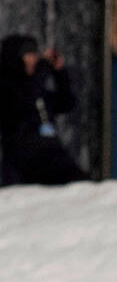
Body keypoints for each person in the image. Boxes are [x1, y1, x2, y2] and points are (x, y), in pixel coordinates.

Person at [0, 34, 87, 186]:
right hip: (25, 160)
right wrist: (44, 67)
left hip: (51, 154)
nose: (35, 59)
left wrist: (59, 73)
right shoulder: (8, 87)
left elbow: (67, 103)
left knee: (81, 186)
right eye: (29, 55)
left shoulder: (39, 90)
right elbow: (25, 100)